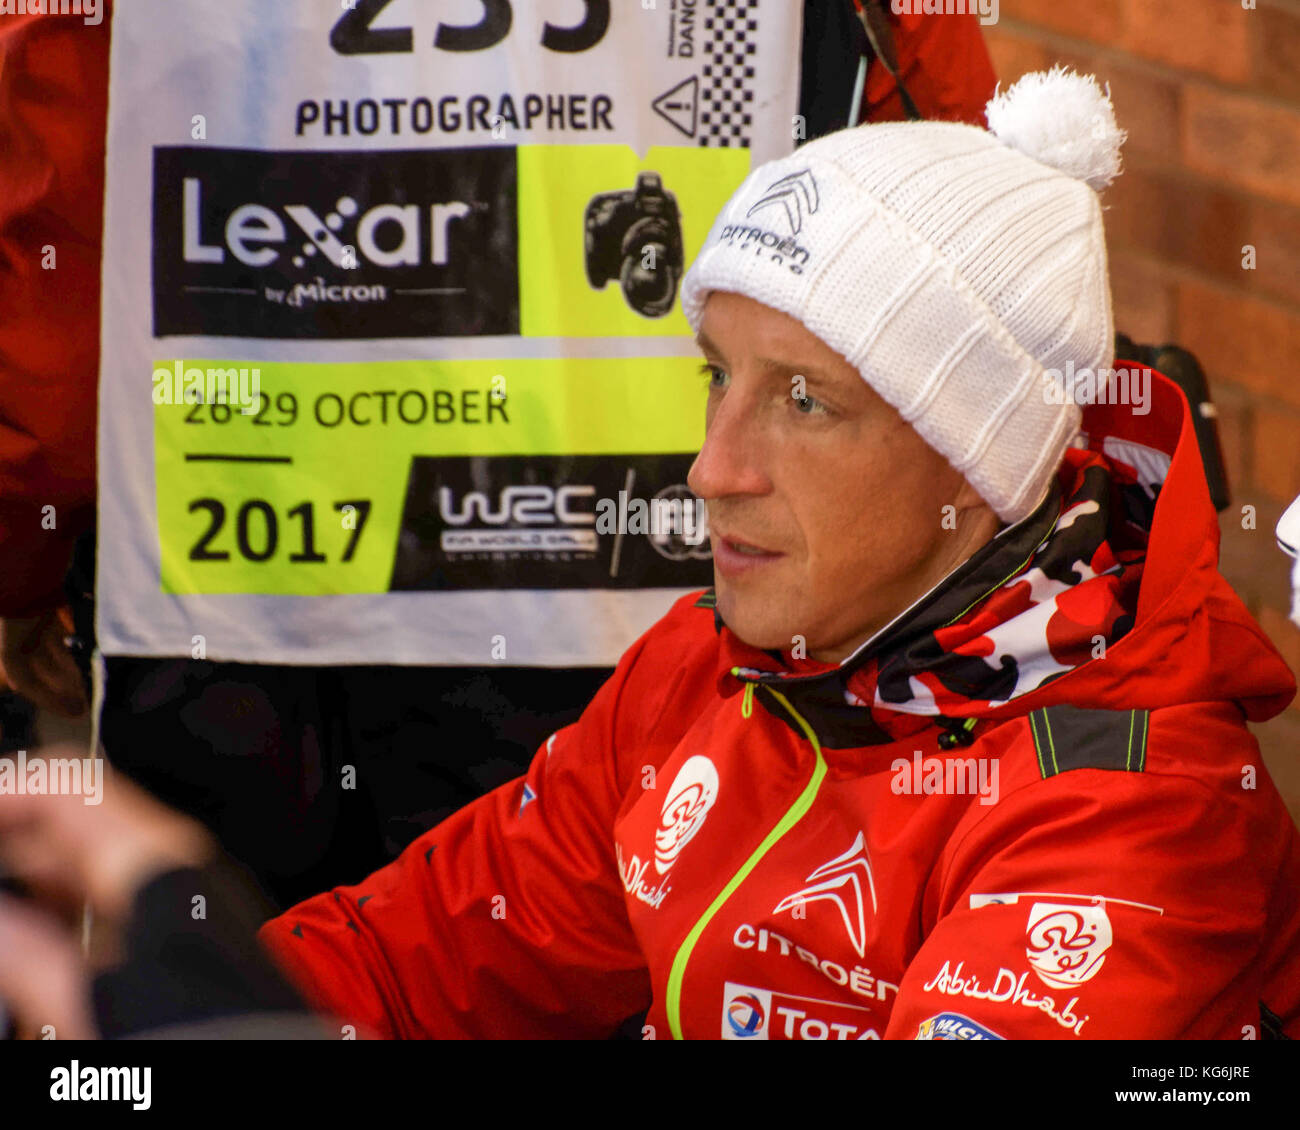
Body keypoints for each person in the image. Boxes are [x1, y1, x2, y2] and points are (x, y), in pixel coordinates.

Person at [4, 66, 1298, 1041]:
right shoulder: (715, 662)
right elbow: (420, 954)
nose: (712, 468)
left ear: (978, 469)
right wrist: (152, 999)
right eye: (717, 377)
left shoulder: (1137, 817)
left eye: (805, 401)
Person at [0, 0, 998, 911]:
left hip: (249, 592)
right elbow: (936, 172)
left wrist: (28, 551)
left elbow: (52, 187)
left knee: (233, 982)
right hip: (641, 581)